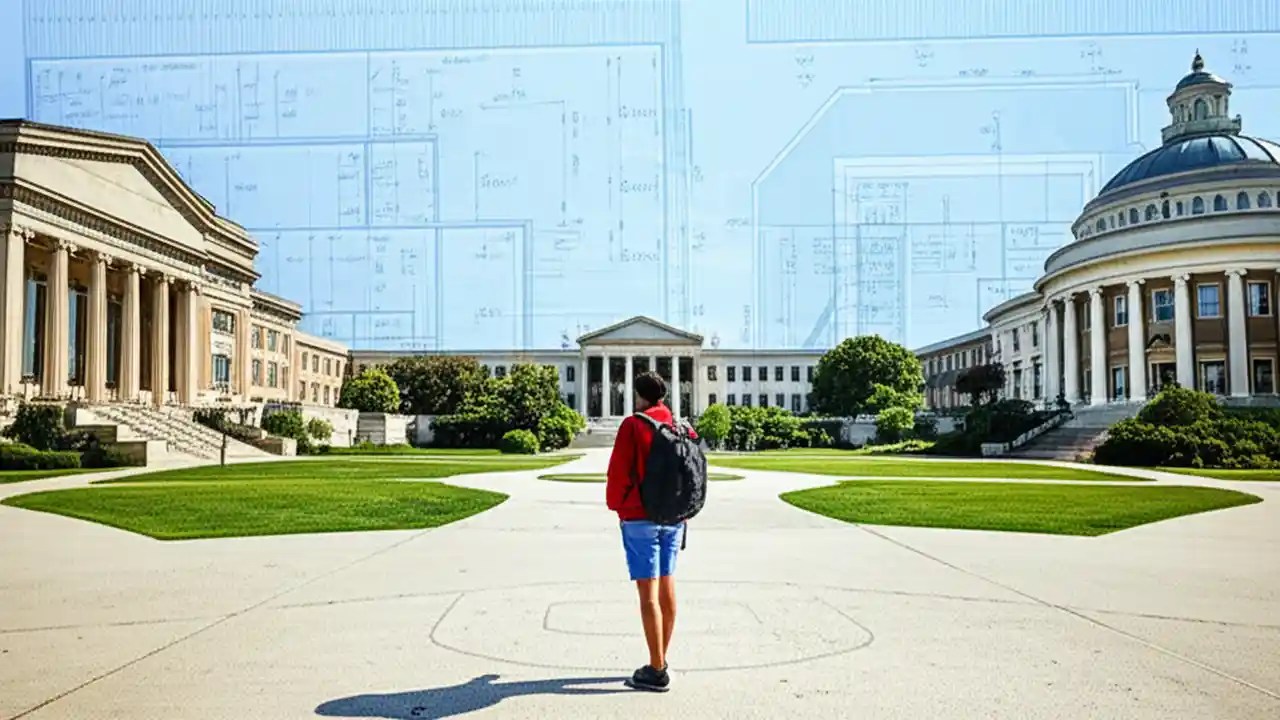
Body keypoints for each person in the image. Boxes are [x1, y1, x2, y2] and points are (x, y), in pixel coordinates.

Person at [605, 371, 693, 692]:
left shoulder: (633, 424)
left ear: (639, 396)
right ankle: (660, 658)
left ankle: (657, 670)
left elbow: (618, 472)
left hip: (640, 518)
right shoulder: (677, 426)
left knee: (648, 594)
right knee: (667, 584)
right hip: (673, 516)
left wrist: (618, 506)